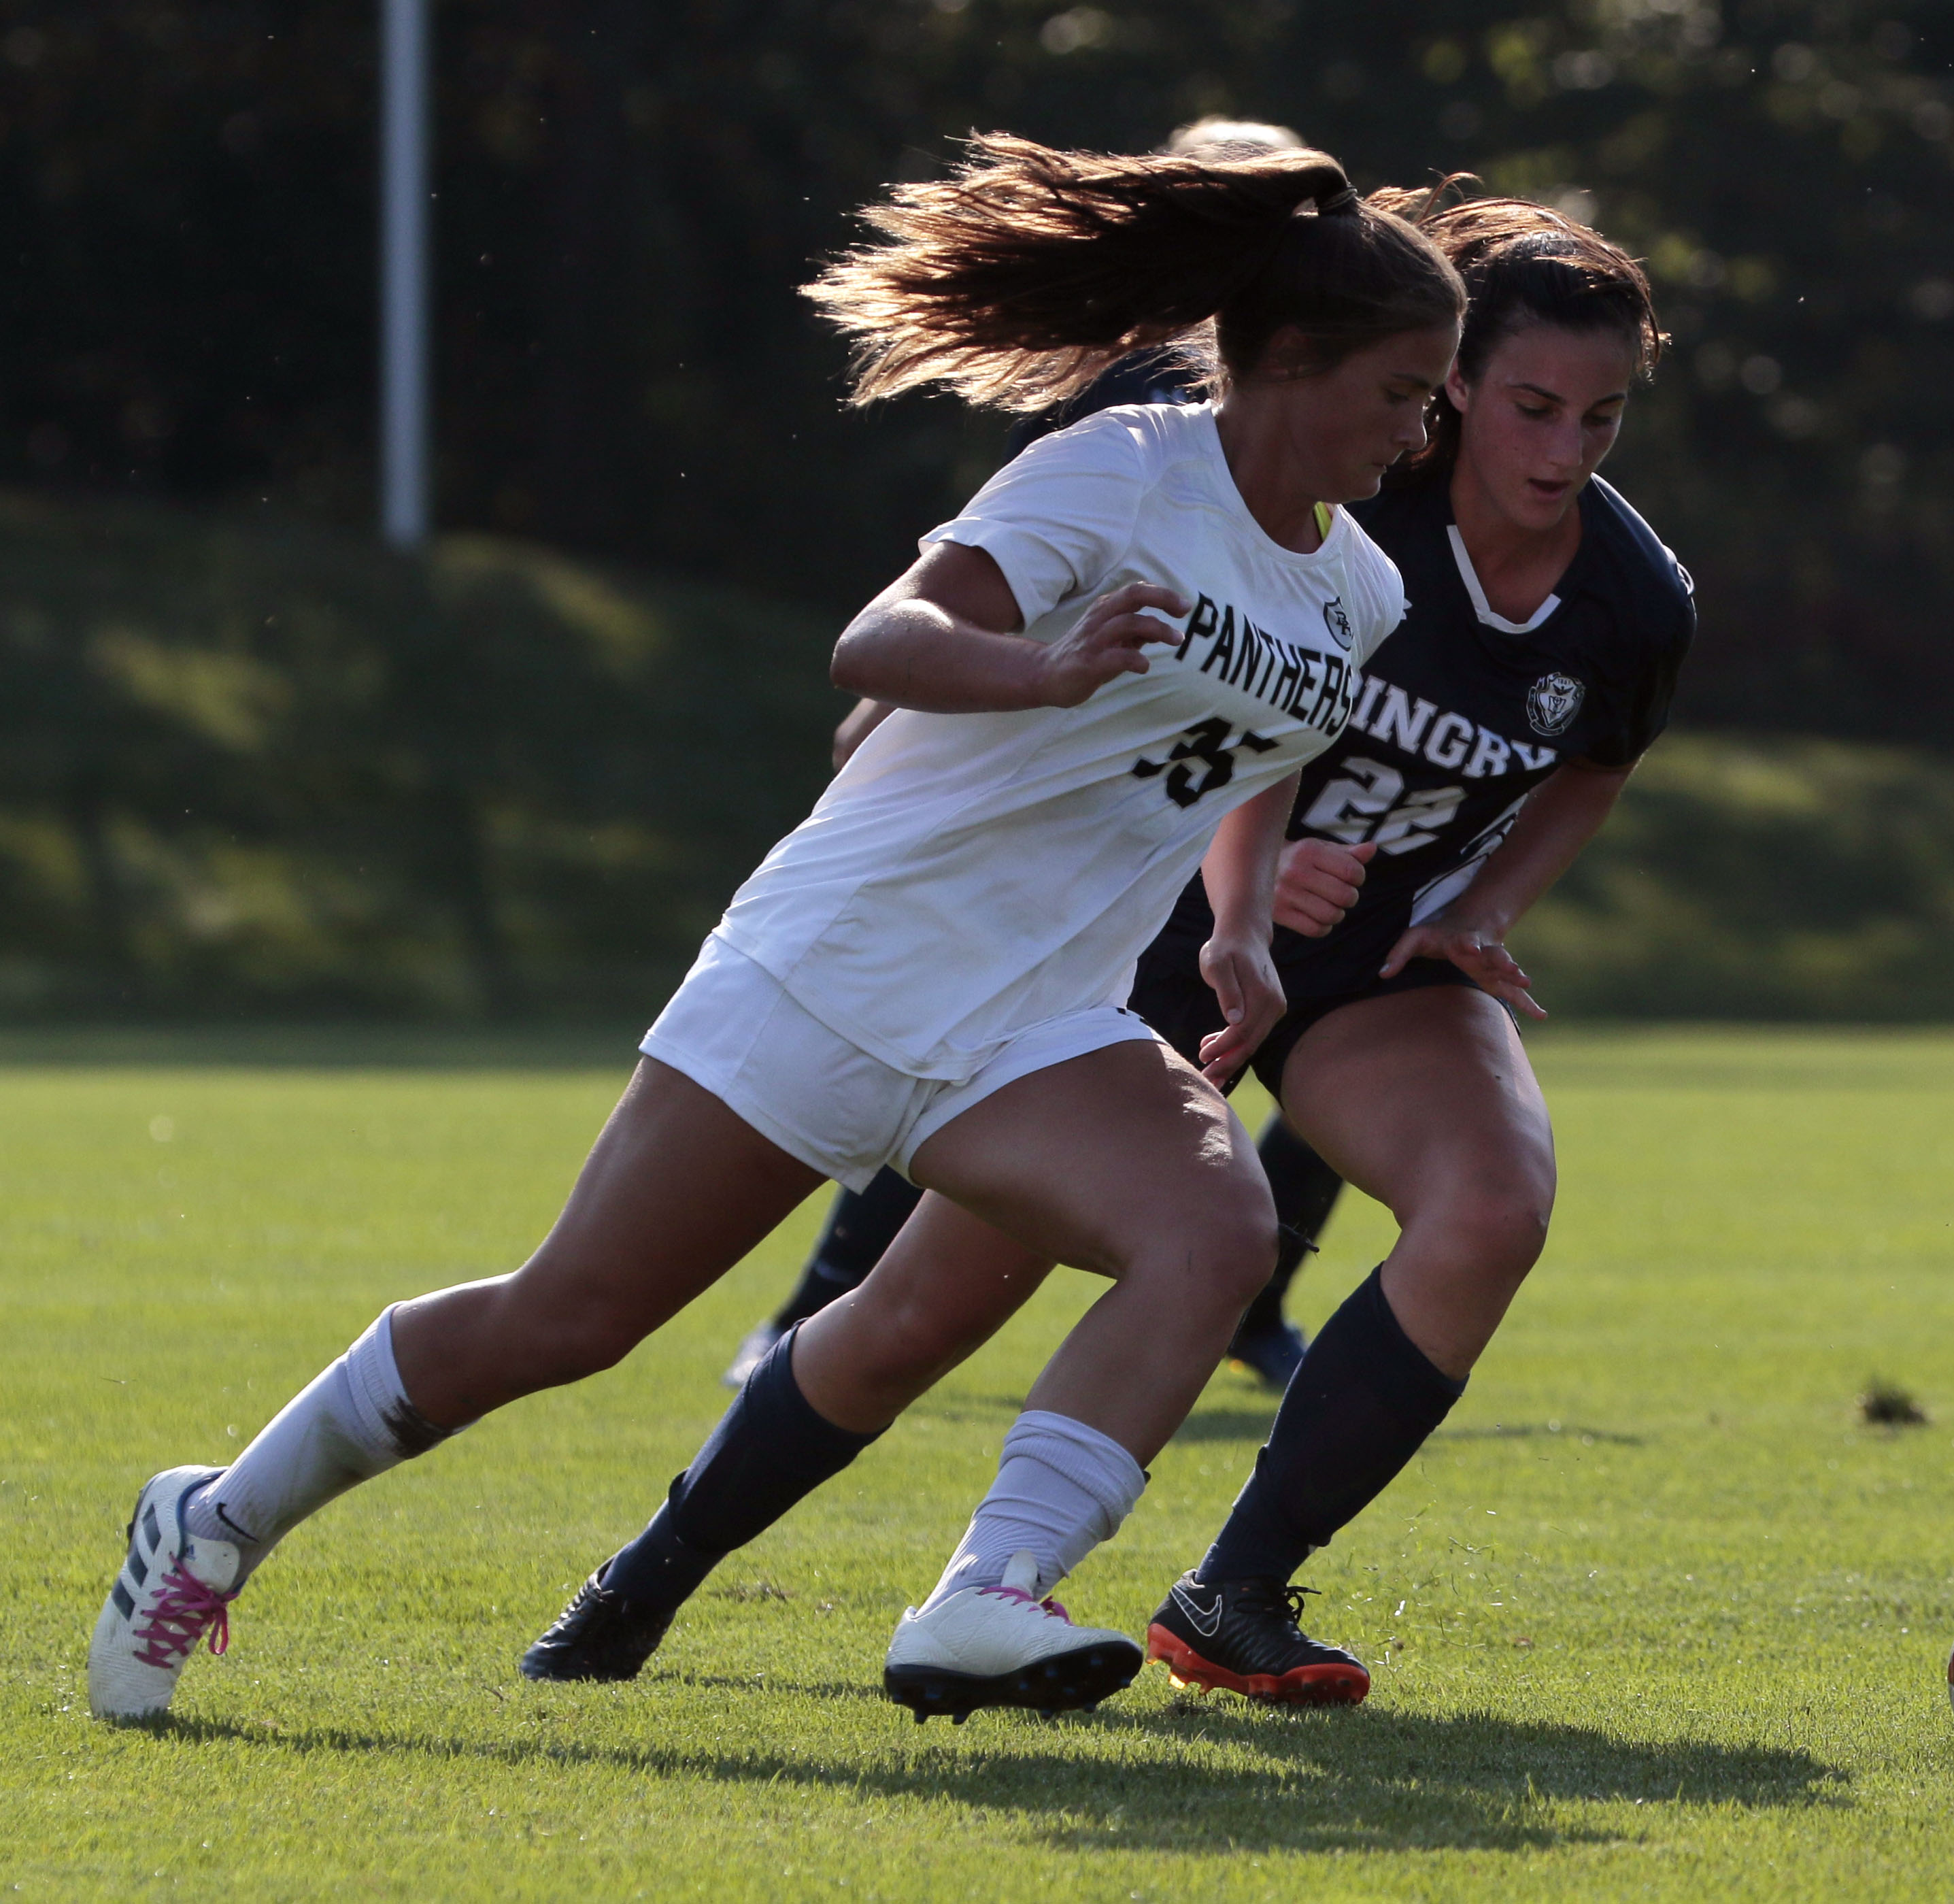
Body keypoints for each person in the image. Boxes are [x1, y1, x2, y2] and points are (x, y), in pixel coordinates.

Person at [87, 133, 1463, 1726]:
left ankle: (988, 1593)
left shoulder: (1359, 588)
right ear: (1292, 362)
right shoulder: (1127, 469)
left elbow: (1254, 767)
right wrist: (1040, 669)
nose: (1423, 430)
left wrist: (1239, 929)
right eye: (1405, 390)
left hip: (1036, 1020)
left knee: (1214, 1228)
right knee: (572, 1318)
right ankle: (216, 1516)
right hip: (847, 958)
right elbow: (881, 638)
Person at [524, 198, 1691, 1714]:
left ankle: (1235, 1592)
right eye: (1530, 405)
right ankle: (649, 1575)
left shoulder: (1634, 596)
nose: (1563, 450)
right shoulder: (1335, 483)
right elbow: (1091, 602)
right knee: (927, 1306)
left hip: (1367, 966)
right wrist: (1238, 879)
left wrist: (1485, 908)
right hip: (1144, 931)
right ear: (1453, 382)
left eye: (1602, 417)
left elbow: (1600, 758)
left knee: (1492, 1206)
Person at [724, 114, 1319, 1397]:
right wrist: (917, 704)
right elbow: (994, 591)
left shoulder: (1325, 461)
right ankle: (818, 1312)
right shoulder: (1140, 414)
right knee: (924, 1057)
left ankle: (1247, 1311)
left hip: (1139, 810)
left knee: (1321, 1036)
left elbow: (1283, 658)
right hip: (1047, 788)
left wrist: (1258, 888)